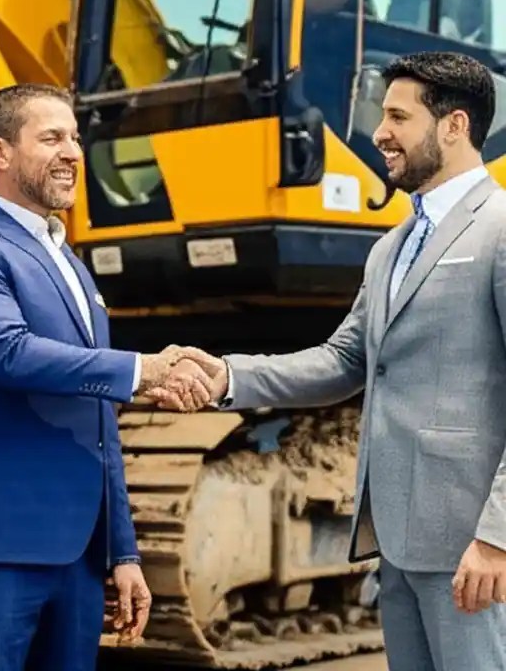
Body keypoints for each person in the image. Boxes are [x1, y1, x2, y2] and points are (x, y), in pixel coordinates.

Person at [167, 51, 506, 670]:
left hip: (470, 546)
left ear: (454, 126)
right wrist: (228, 376)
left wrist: (496, 538)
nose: (379, 133)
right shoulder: (389, 248)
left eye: (398, 117)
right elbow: (343, 359)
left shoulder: (502, 227)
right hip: (397, 541)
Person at [0, 82, 213, 670]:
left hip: (77, 561)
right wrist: (142, 369)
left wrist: (123, 553)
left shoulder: (71, 263)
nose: (73, 152)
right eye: (51, 138)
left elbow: (99, 423)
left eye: (75, 138)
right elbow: (9, 353)